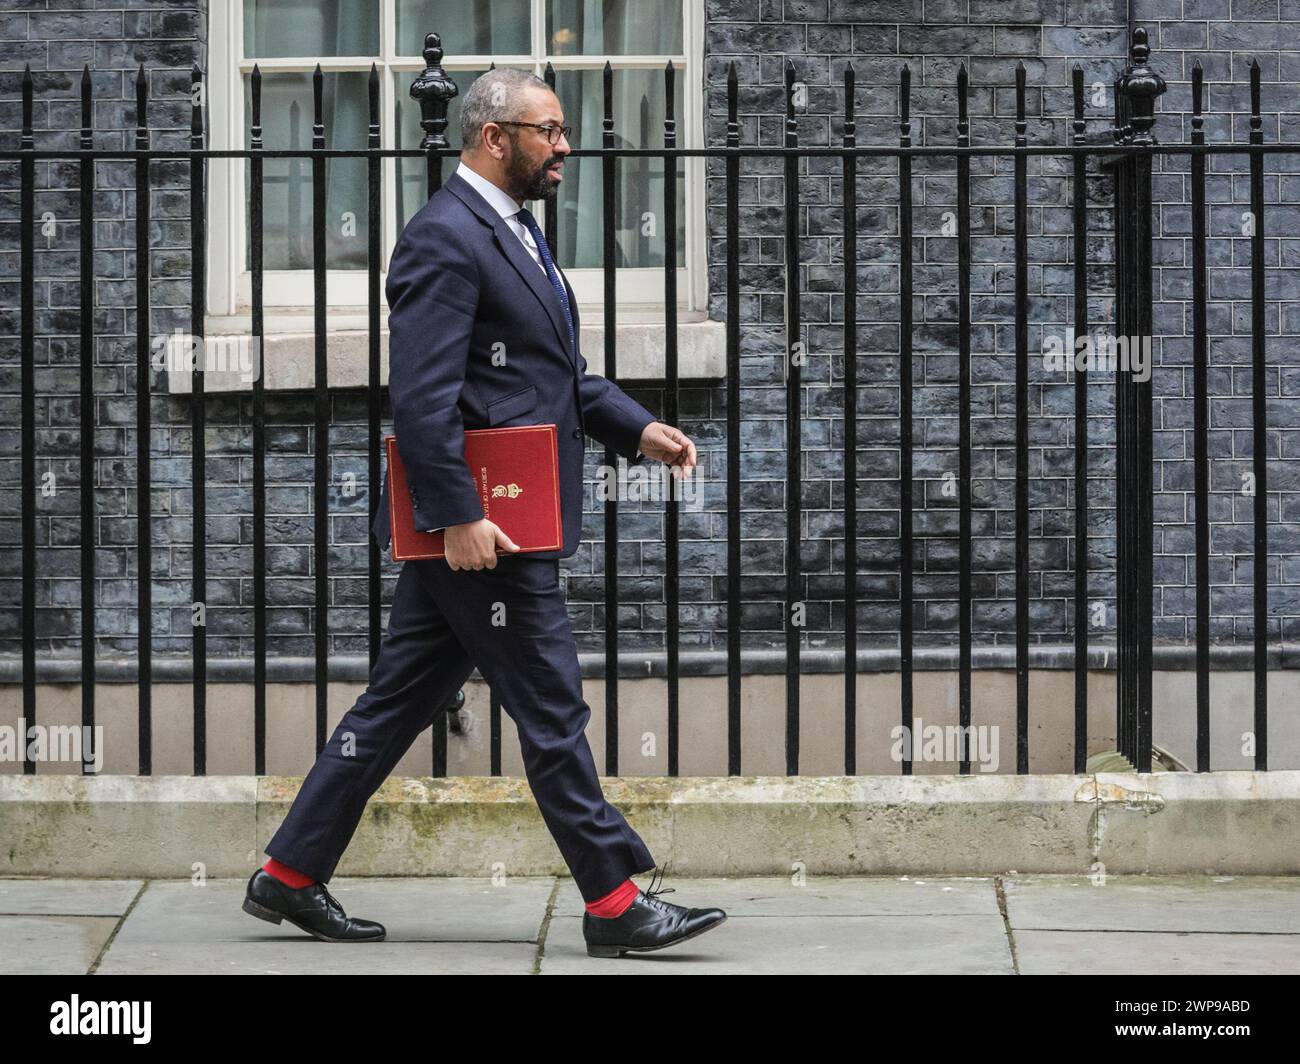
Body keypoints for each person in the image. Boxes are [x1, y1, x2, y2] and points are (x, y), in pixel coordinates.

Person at [242, 66, 727, 958]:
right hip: (489, 529)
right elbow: (421, 403)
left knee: (394, 704)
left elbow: (553, 373)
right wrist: (458, 514)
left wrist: (639, 427)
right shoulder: (445, 238)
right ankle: (615, 901)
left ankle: (290, 874)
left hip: (498, 520)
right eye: (549, 130)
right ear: (494, 136)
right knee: (551, 708)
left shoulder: (513, 234)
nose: (565, 147)